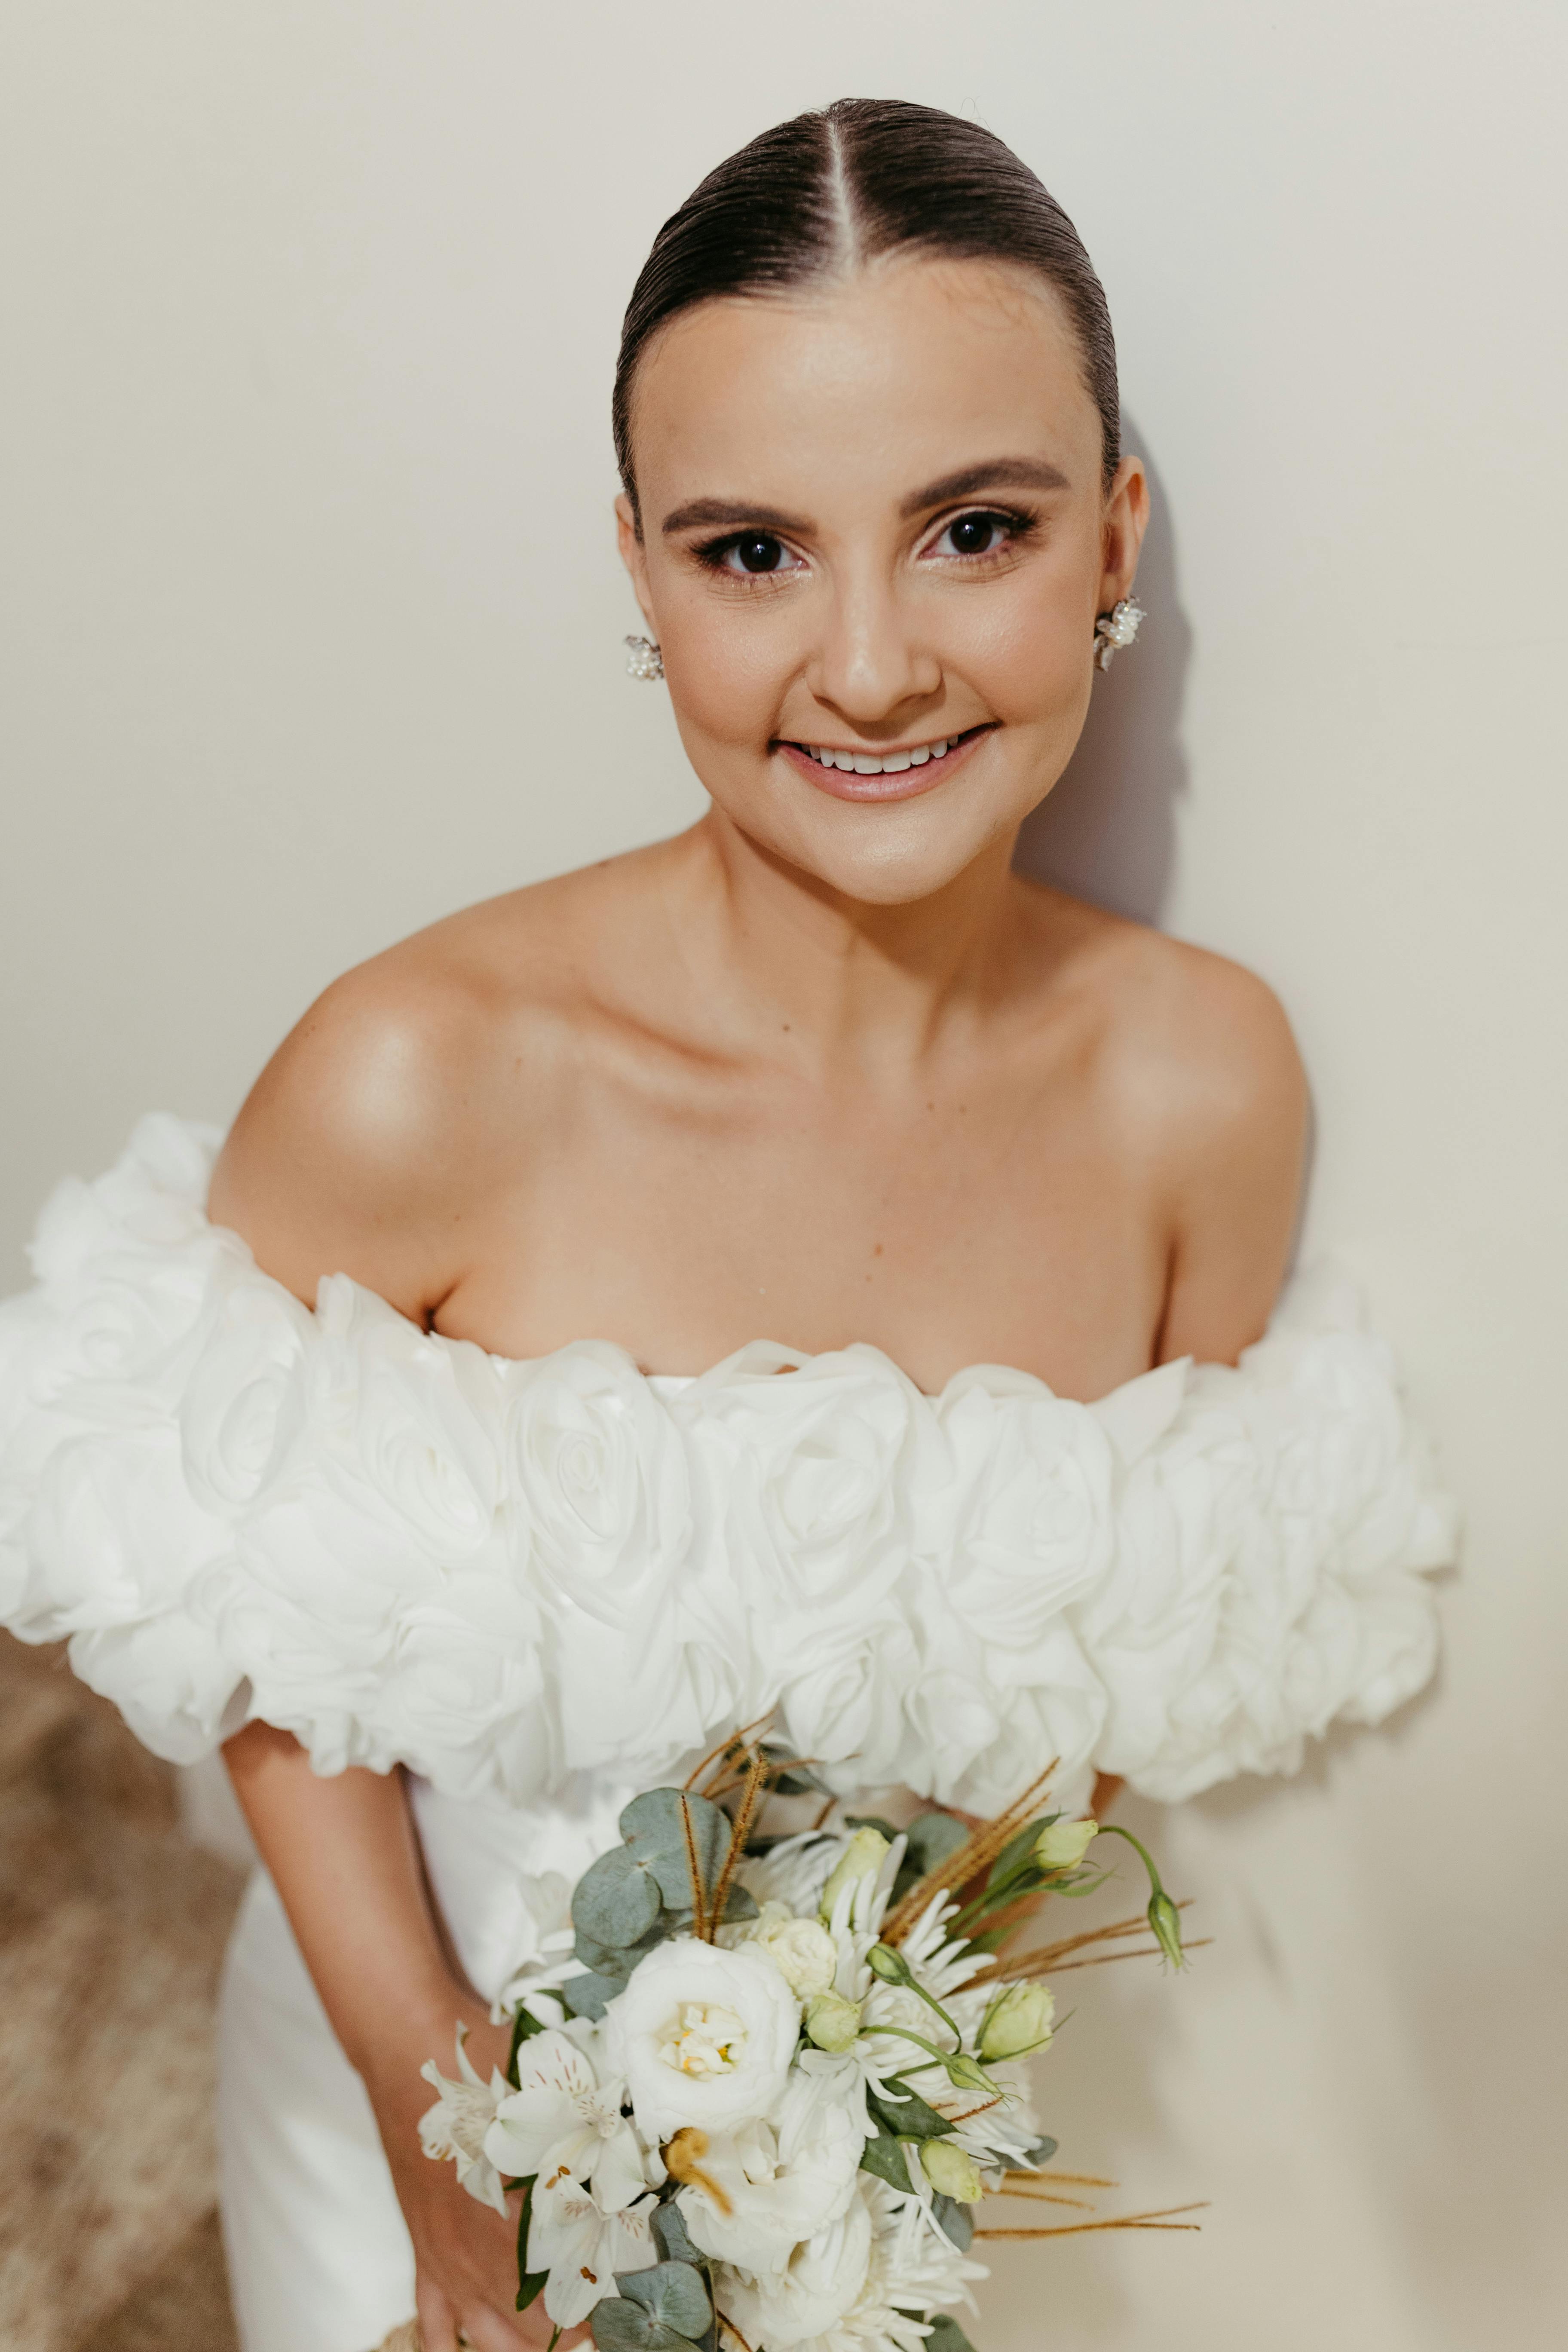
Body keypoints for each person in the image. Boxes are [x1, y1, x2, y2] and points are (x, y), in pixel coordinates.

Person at [0, 99, 1453, 2352]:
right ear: (640, 568)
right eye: (751, 553)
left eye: (971, 528)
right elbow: (236, 1622)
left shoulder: (1206, 1090)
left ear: (1111, 536)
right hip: (415, 2088)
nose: (867, 669)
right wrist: (443, 2139)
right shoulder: (416, 1079)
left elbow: (1094, 1708)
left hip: (860, 2184)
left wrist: (843, 2134)